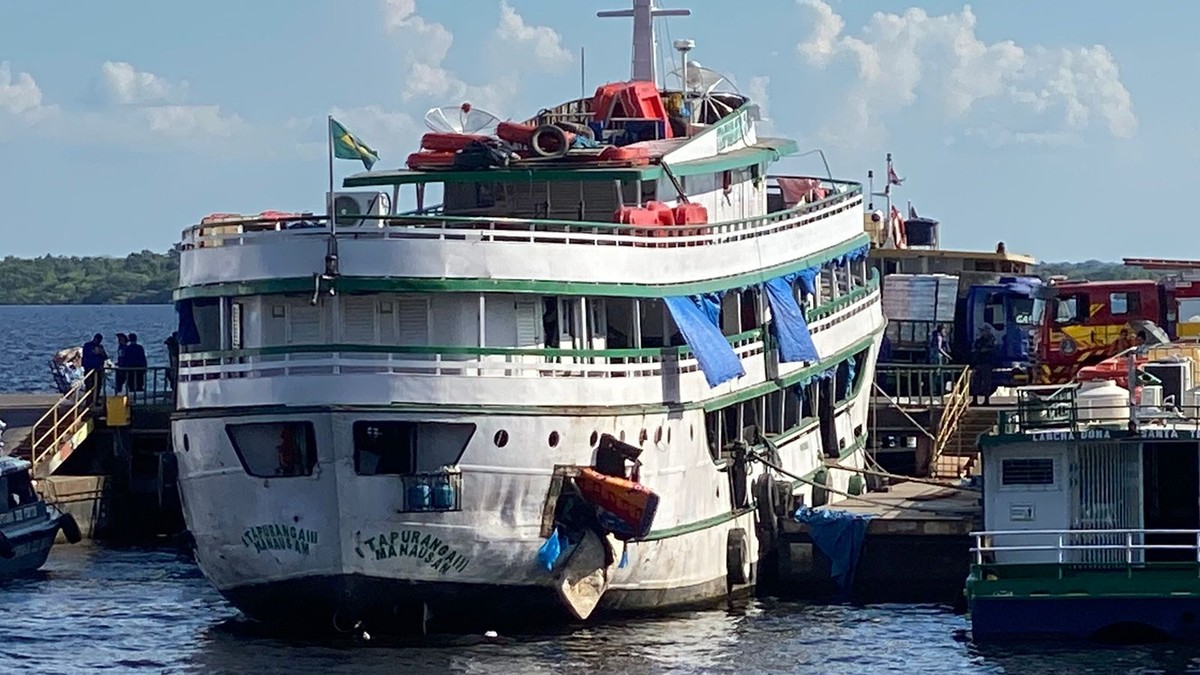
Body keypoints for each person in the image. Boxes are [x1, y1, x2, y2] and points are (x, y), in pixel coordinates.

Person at [80, 334, 108, 404]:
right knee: (89, 385)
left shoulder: (100, 347)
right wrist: (94, 353)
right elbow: (86, 356)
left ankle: (96, 399)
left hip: (98, 370)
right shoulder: (87, 346)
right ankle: (89, 401)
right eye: (98, 340)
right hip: (89, 369)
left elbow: (105, 357)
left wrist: (101, 353)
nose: (98, 342)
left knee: (98, 386)